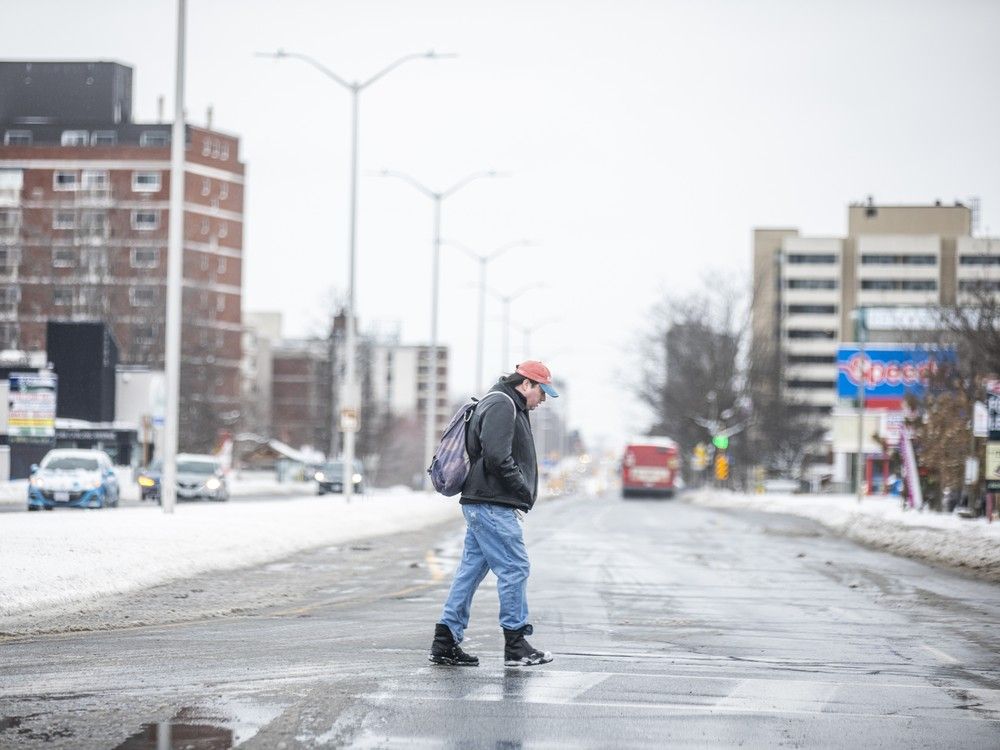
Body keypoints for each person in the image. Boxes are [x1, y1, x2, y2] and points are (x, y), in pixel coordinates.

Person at [429, 360, 559, 668]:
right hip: (492, 502)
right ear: (525, 384)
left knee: (470, 572)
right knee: (515, 568)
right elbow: (498, 455)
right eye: (541, 393)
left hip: (484, 500)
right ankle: (516, 644)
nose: (542, 401)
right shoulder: (502, 404)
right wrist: (520, 488)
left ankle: (445, 641)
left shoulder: (505, 402)